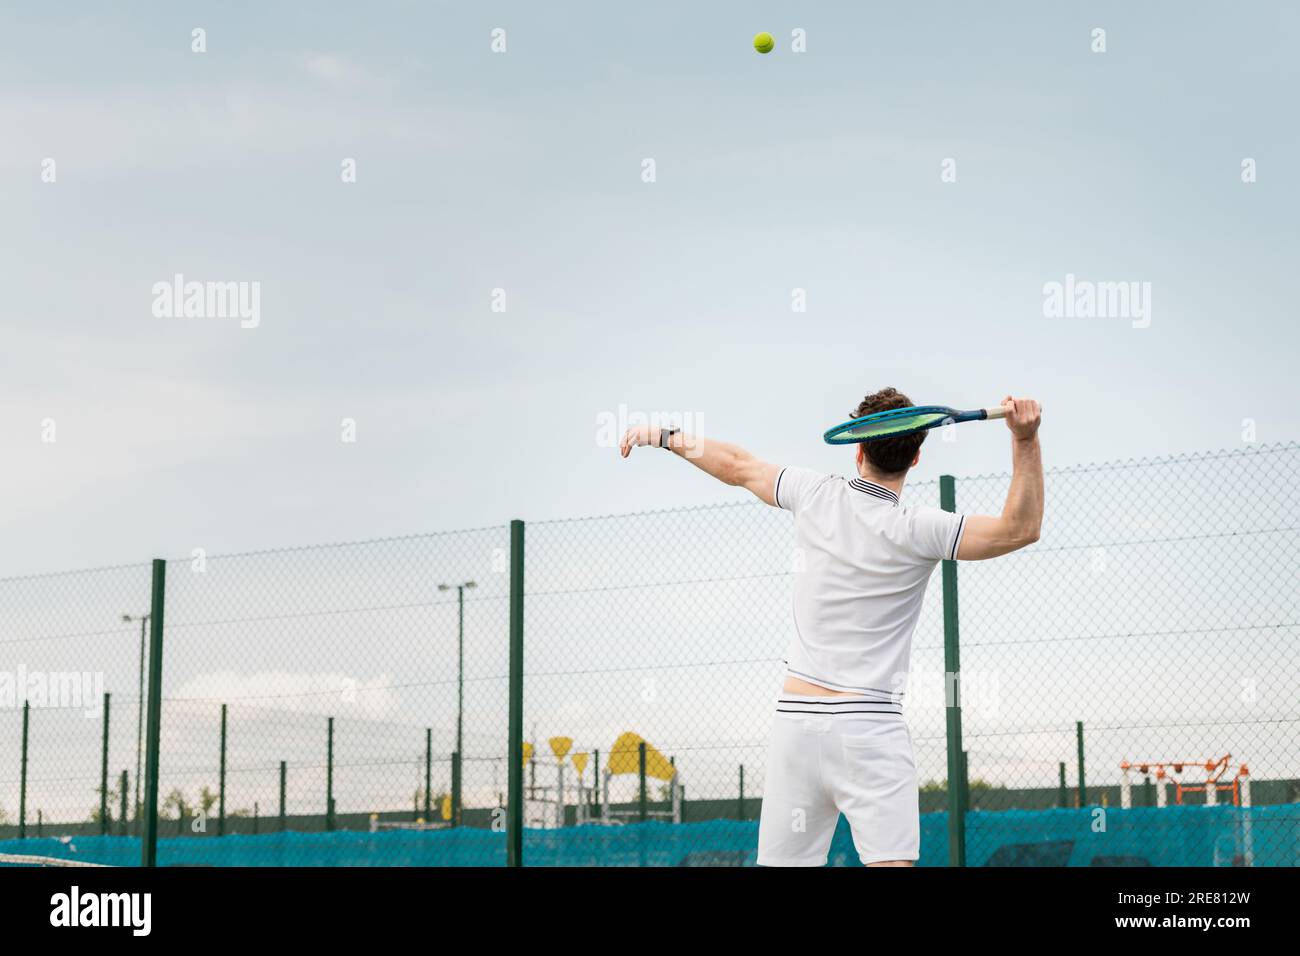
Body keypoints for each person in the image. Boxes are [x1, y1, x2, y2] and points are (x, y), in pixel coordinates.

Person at [618, 388, 1043, 866]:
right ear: (918, 456)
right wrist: (1024, 439)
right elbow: (1019, 529)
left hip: (796, 725)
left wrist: (663, 435)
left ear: (857, 447)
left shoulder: (812, 491)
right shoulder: (922, 526)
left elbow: (737, 466)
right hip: (870, 728)